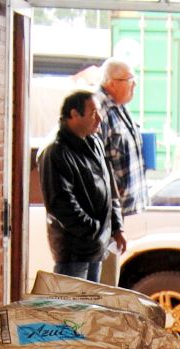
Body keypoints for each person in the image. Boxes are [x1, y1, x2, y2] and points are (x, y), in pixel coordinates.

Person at [38, 89, 125, 282]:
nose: (99, 119)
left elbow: (109, 189)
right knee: (73, 309)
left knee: (89, 309)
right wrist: (95, 231)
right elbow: (61, 204)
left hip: (95, 247)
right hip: (74, 252)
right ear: (74, 115)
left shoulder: (94, 142)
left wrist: (116, 227)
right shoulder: (55, 151)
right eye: (93, 113)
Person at [95, 58, 147, 286]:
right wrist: (115, 222)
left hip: (116, 210)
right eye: (129, 81)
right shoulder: (100, 109)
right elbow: (99, 165)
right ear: (111, 83)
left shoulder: (119, 107)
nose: (134, 86)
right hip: (104, 211)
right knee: (105, 278)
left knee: (111, 272)